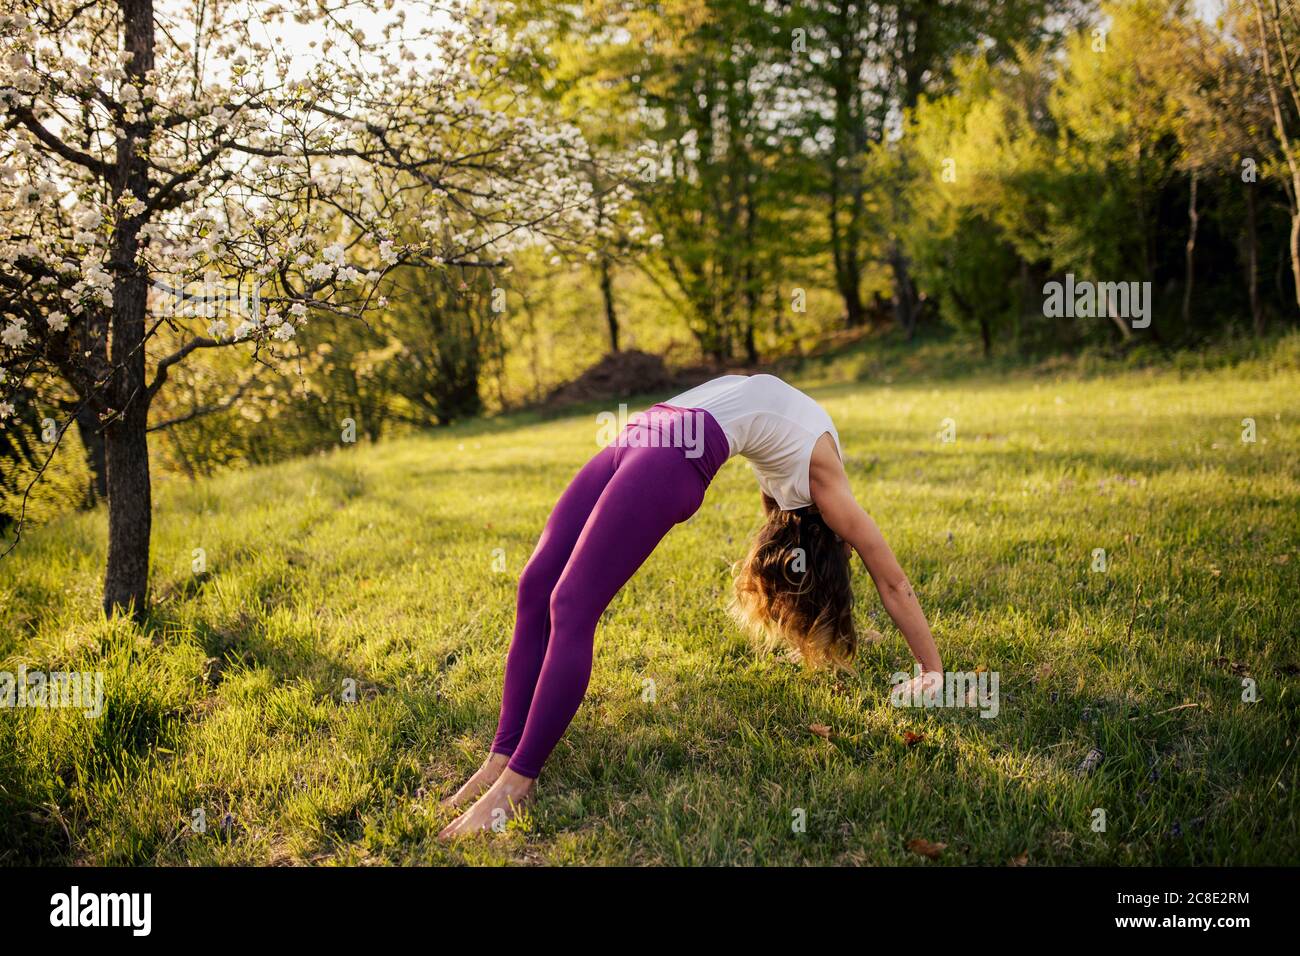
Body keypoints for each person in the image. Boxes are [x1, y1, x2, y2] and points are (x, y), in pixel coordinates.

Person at [438, 374, 942, 839]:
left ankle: (517, 783)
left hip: (671, 453)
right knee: (535, 585)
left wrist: (931, 667)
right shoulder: (805, 485)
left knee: (570, 604)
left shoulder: (830, 491)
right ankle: (500, 754)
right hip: (645, 430)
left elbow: (893, 582)